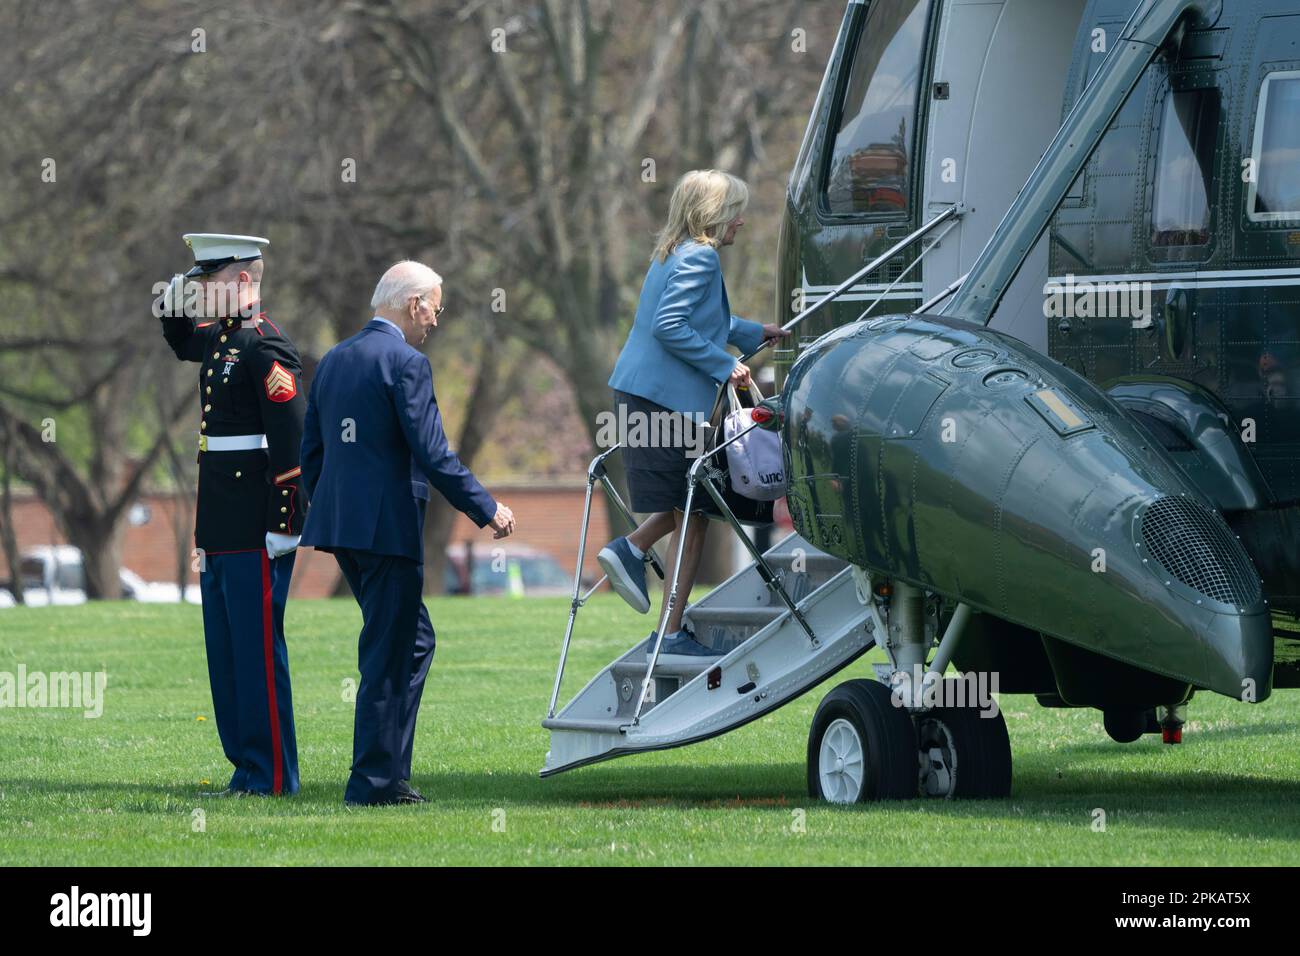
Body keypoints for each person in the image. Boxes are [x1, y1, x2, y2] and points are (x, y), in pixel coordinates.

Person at [299, 260, 516, 806]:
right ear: (415, 303)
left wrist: (334, 509)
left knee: (410, 641)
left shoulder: (332, 362)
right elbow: (433, 452)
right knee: (389, 651)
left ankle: (389, 774)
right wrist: (486, 508)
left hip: (343, 527)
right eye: (436, 309)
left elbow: (312, 455)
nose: (436, 321)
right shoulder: (406, 362)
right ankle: (373, 784)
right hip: (388, 528)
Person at [601, 170, 789, 656]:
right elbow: (670, 326)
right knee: (698, 505)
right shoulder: (701, 257)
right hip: (664, 400)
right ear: (714, 213)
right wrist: (726, 365)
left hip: (642, 396)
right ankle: (666, 629)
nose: (742, 221)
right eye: (736, 211)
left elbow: (709, 320)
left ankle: (634, 554)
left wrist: (751, 334)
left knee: (696, 503)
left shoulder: (673, 253)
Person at [157, 232, 308, 797]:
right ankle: (246, 769)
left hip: (254, 526)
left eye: (208, 282)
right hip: (220, 524)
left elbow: (291, 445)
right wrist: (173, 296)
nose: (200, 293)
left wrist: (284, 523)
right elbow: (180, 342)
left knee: (256, 654)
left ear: (242, 283)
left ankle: (272, 776)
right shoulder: (225, 341)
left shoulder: (265, 347)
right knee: (226, 655)